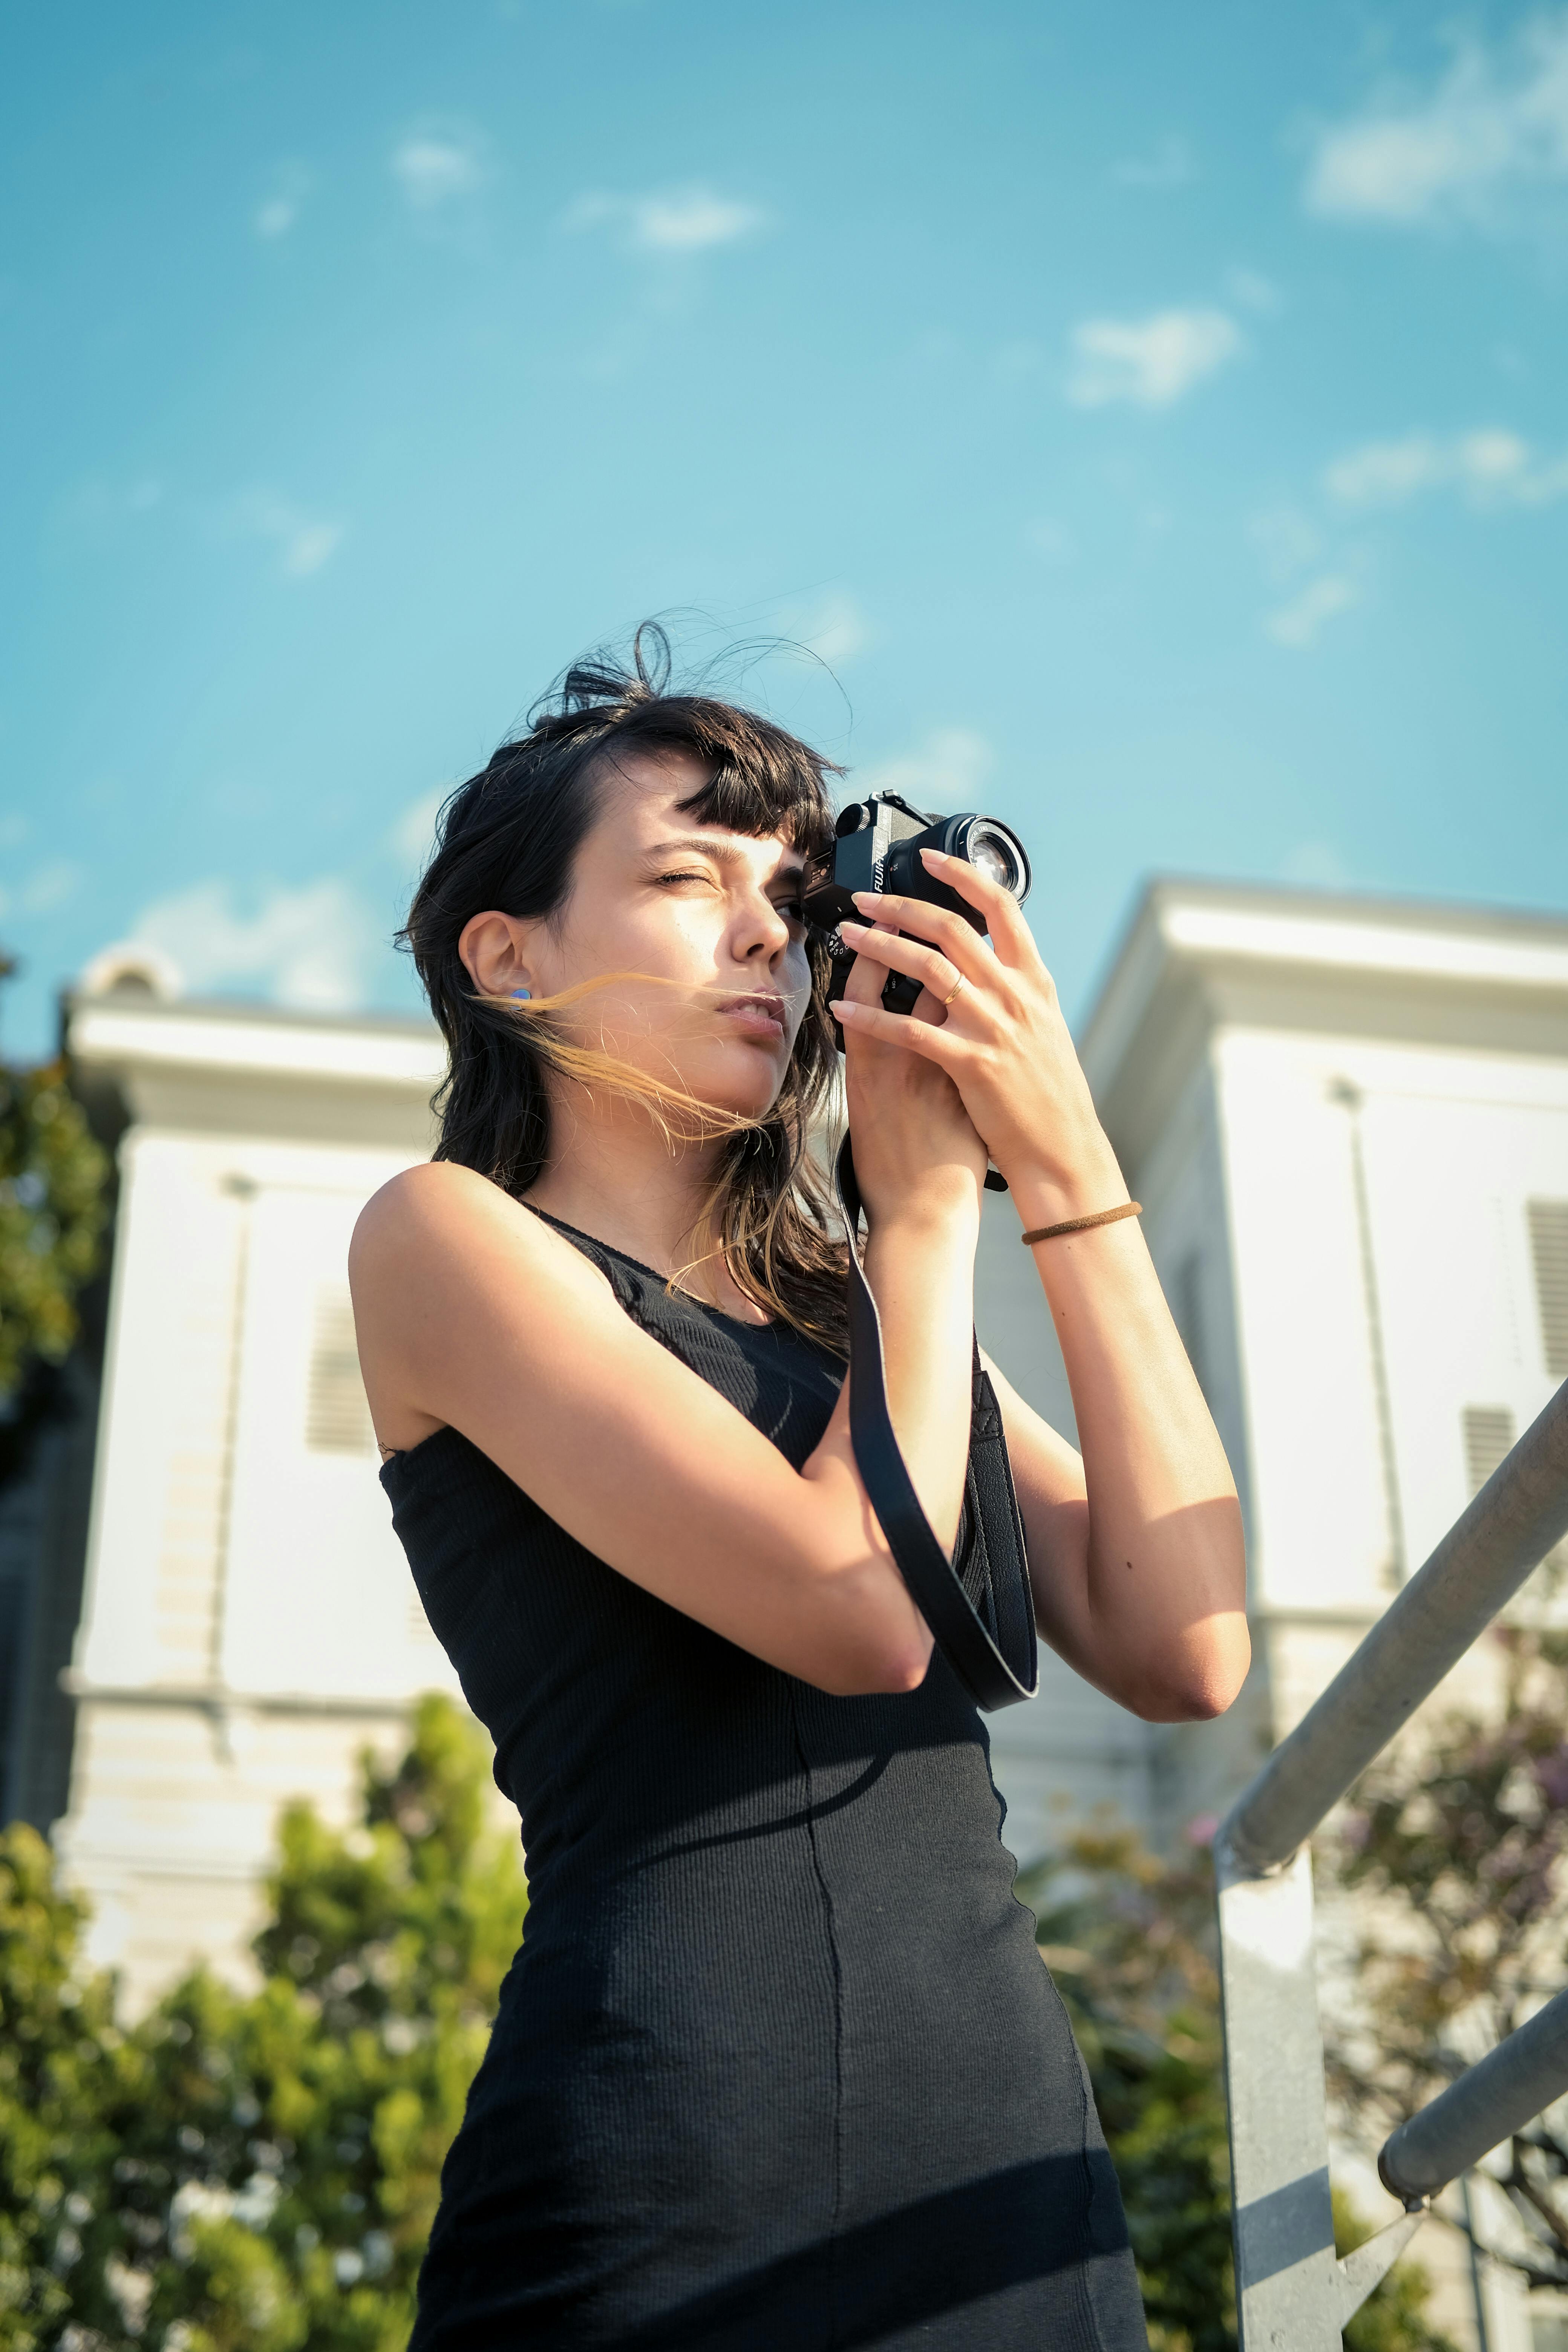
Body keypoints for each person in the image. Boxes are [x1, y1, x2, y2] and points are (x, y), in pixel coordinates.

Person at [350, 630, 1250, 2351]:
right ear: (507, 956)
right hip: (668, 2169)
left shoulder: (857, 1309)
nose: (768, 930)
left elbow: (1188, 1640)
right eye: (688, 879)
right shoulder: (446, 1237)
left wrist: (1059, 1155)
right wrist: (920, 1207)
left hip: (1006, 2178)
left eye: (792, 889)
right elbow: (856, 1606)